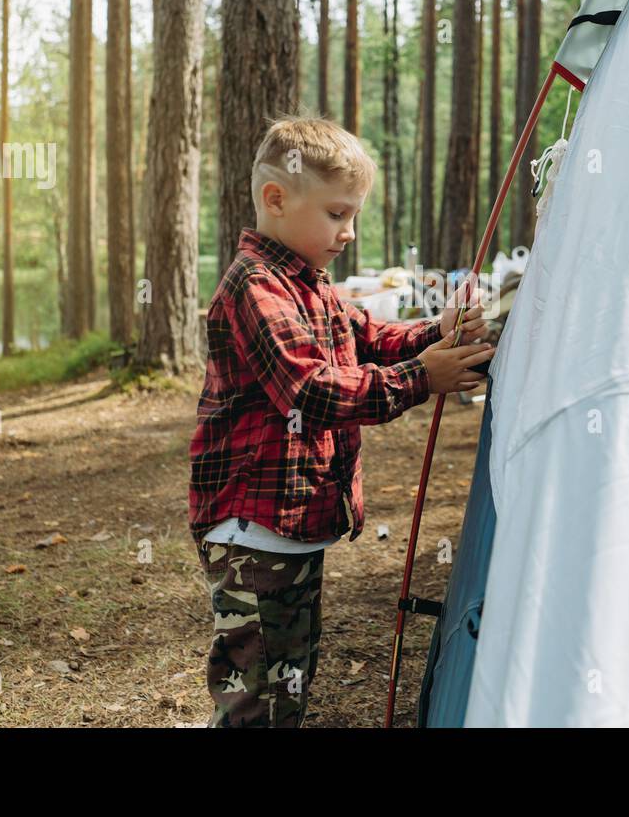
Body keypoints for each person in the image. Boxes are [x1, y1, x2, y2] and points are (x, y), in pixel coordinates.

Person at [189, 113, 495, 727]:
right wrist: (422, 378)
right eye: (337, 214)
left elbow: (372, 338)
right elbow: (311, 390)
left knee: (289, 674)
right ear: (276, 199)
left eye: (353, 215)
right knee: (258, 692)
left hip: (292, 524)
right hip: (252, 529)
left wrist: (435, 333)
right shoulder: (254, 287)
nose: (349, 231)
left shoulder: (311, 284)